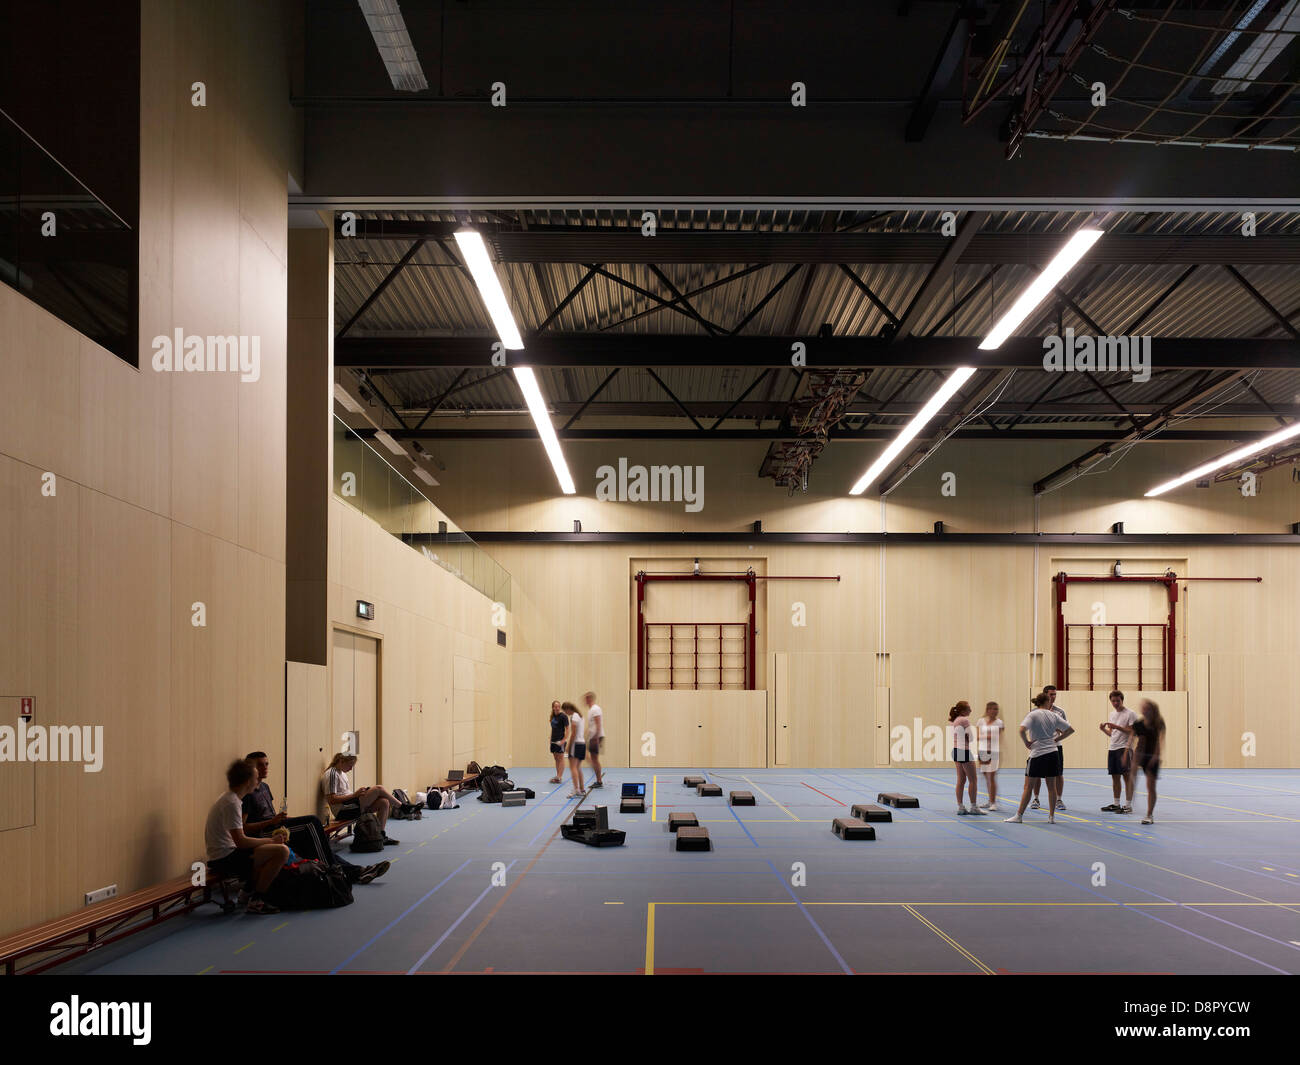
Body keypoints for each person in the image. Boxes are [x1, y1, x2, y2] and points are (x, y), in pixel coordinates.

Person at [243, 751, 388, 884]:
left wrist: (281, 819)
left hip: (275, 827)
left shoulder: (265, 787)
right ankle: (335, 872)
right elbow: (244, 828)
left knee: (319, 843)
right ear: (250, 768)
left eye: (266, 764)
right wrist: (272, 821)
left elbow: (271, 815)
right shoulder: (247, 793)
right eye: (259, 765)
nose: (265, 768)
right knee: (312, 823)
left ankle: (358, 872)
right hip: (264, 834)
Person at [205, 759, 289, 914]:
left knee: (268, 850)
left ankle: (247, 893)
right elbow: (241, 842)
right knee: (281, 851)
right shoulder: (231, 803)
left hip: (227, 853)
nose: (258, 781)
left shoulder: (231, 799)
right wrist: (271, 840)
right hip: (223, 859)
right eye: (256, 778)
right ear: (247, 781)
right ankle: (256, 900)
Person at [1004, 693, 1066, 824]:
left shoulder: (1033, 714)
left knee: (1028, 787)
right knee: (1051, 787)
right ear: (1048, 701)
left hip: (1038, 754)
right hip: (1053, 753)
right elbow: (1070, 730)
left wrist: (1026, 742)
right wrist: (1056, 739)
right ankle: (1051, 817)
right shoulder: (1054, 715)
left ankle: (1019, 816)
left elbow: (1021, 730)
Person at [322, 752, 399, 846]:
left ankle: (380, 836)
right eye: (350, 765)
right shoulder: (332, 774)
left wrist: (359, 794)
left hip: (351, 805)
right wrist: (355, 795)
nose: (351, 769)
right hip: (343, 811)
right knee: (378, 789)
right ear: (341, 761)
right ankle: (402, 806)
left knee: (384, 802)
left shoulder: (342, 773)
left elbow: (346, 794)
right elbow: (332, 800)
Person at [1109, 698, 1165, 825]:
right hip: (1139, 754)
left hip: (1151, 756)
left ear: (1152, 710)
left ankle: (1149, 815)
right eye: (1143, 708)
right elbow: (1131, 738)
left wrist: (1156, 756)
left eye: (1146, 708)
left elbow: (1160, 741)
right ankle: (1129, 803)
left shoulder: (1158, 723)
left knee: (1151, 786)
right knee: (1131, 777)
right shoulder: (1139, 723)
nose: (1144, 710)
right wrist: (1125, 753)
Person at [1031, 685, 1070, 811]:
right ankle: (1036, 798)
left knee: (1058, 774)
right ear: (1044, 695)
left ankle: (1058, 799)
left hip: (1055, 747)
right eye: (1051, 694)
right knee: (1036, 775)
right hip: (1040, 747)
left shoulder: (1060, 712)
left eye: (1055, 694)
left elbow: (1066, 730)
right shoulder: (1035, 712)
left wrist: (1055, 740)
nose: (1053, 697)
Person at [1098, 693, 1137, 814]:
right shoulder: (1112, 714)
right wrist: (1104, 730)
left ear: (1122, 700)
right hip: (1113, 748)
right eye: (1113, 701)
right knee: (1115, 777)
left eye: (1118, 701)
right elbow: (1112, 734)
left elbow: (1132, 732)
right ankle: (1116, 804)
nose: (1115, 703)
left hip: (1124, 748)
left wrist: (1117, 727)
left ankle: (1128, 805)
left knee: (1126, 777)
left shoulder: (1130, 714)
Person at [949, 701, 983, 815]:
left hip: (956, 751)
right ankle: (974, 807)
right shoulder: (964, 720)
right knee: (973, 780)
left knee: (961, 780)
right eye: (969, 708)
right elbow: (971, 738)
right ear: (963, 711)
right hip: (964, 751)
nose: (971, 710)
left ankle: (960, 806)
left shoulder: (954, 720)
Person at [976, 702, 1004, 812]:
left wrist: (987, 736)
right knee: (986, 777)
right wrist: (988, 736)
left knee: (992, 777)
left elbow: (997, 737)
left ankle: (993, 803)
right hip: (983, 751)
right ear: (988, 710)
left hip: (994, 751)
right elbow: (978, 736)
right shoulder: (981, 721)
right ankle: (989, 800)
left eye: (996, 709)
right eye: (993, 709)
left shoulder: (999, 722)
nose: (995, 711)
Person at [562, 700, 585, 798]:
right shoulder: (580, 715)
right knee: (578, 767)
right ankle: (581, 788)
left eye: (565, 711)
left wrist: (569, 746)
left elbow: (573, 733)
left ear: (568, 709)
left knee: (573, 768)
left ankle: (576, 789)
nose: (565, 713)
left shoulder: (574, 716)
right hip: (582, 744)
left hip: (576, 744)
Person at [584, 690, 605, 790]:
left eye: (586, 698)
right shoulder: (591, 710)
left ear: (590, 699)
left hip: (596, 737)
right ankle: (598, 779)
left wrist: (596, 738)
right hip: (593, 737)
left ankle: (599, 780)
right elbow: (591, 726)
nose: (585, 700)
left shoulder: (595, 709)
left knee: (595, 760)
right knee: (593, 759)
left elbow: (598, 724)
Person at [547, 700, 568, 783]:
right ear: (553, 707)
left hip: (560, 740)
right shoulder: (553, 717)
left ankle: (559, 776)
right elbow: (553, 729)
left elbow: (567, 729)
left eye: (559, 706)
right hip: (554, 740)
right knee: (556, 758)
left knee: (561, 758)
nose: (557, 708)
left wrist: (564, 740)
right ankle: (557, 775)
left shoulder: (563, 716)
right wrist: (551, 738)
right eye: (556, 706)